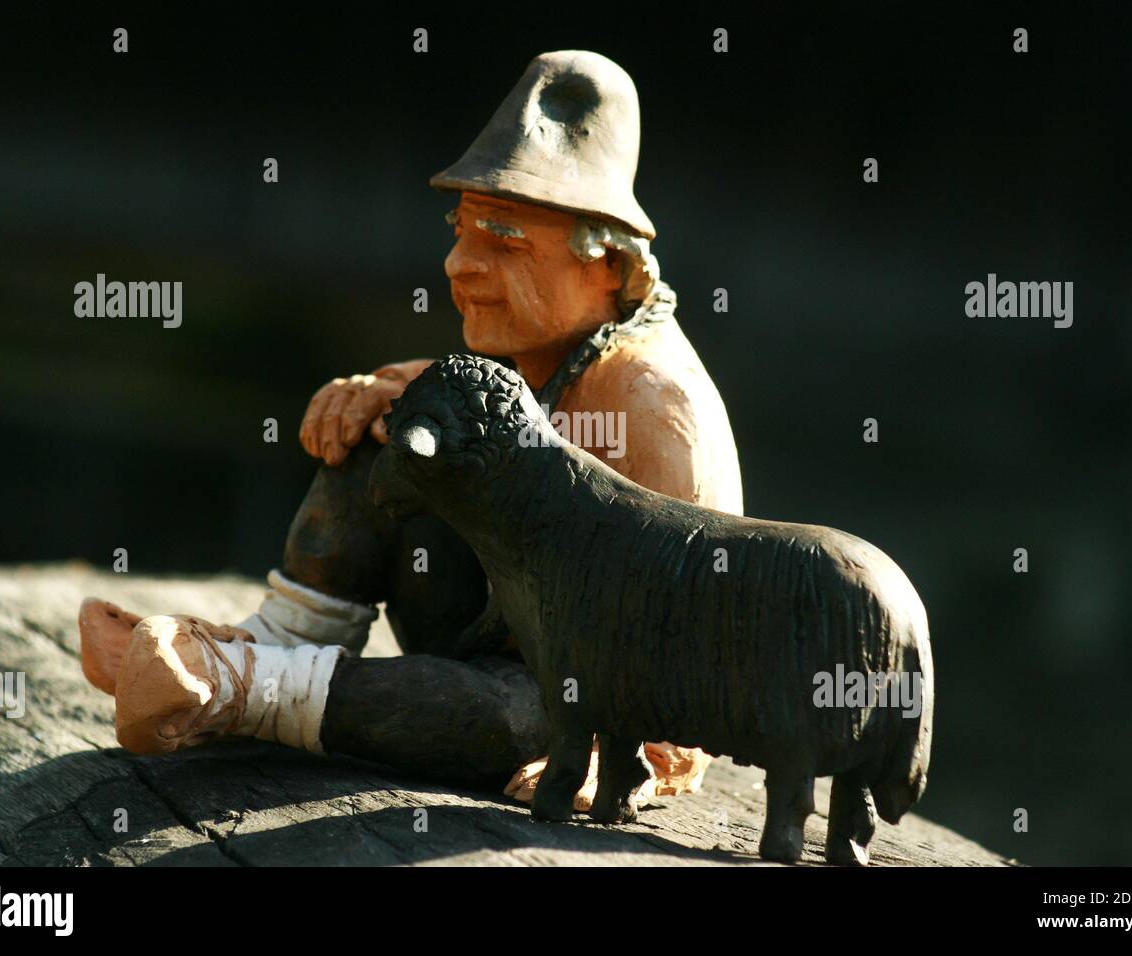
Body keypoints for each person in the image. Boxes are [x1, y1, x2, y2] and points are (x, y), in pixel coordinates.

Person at [79, 50, 743, 809]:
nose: (460, 264)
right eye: (462, 231)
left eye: (505, 240)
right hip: (489, 622)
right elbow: (495, 411)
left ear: (606, 265)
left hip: (582, 694)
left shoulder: (656, 407)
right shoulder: (542, 343)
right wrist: (386, 389)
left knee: (515, 716)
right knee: (395, 421)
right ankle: (282, 640)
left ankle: (234, 688)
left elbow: (678, 632)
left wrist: (625, 754)